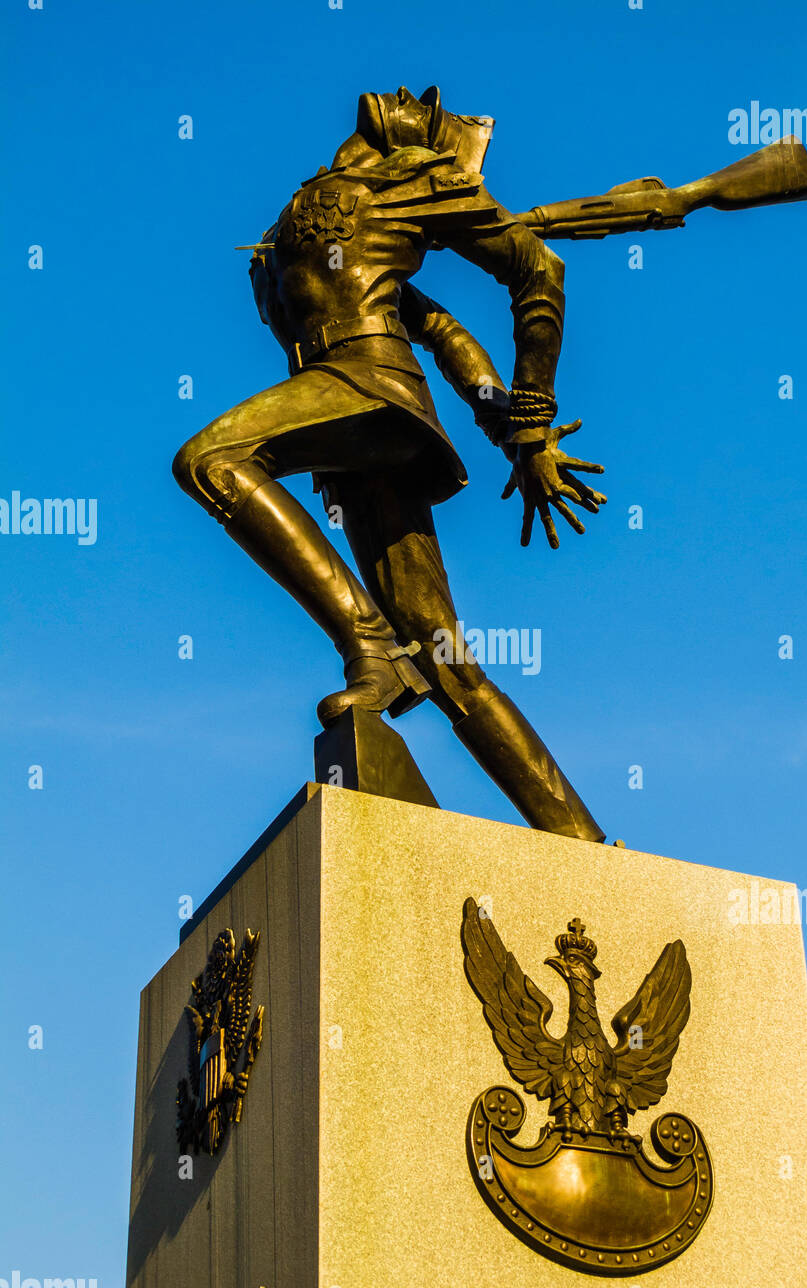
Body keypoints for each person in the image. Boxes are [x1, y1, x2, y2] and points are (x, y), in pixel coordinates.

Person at [173, 86, 606, 841]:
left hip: (368, 391)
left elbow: (539, 273)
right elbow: (437, 324)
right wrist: (489, 402)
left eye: (433, 112)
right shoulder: (333, 206)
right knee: (447, 660)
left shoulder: (419, 182)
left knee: (210, 460)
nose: (417, 97)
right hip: (346, 432)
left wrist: (524, 418)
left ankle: (367, 645)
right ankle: (582, 842)